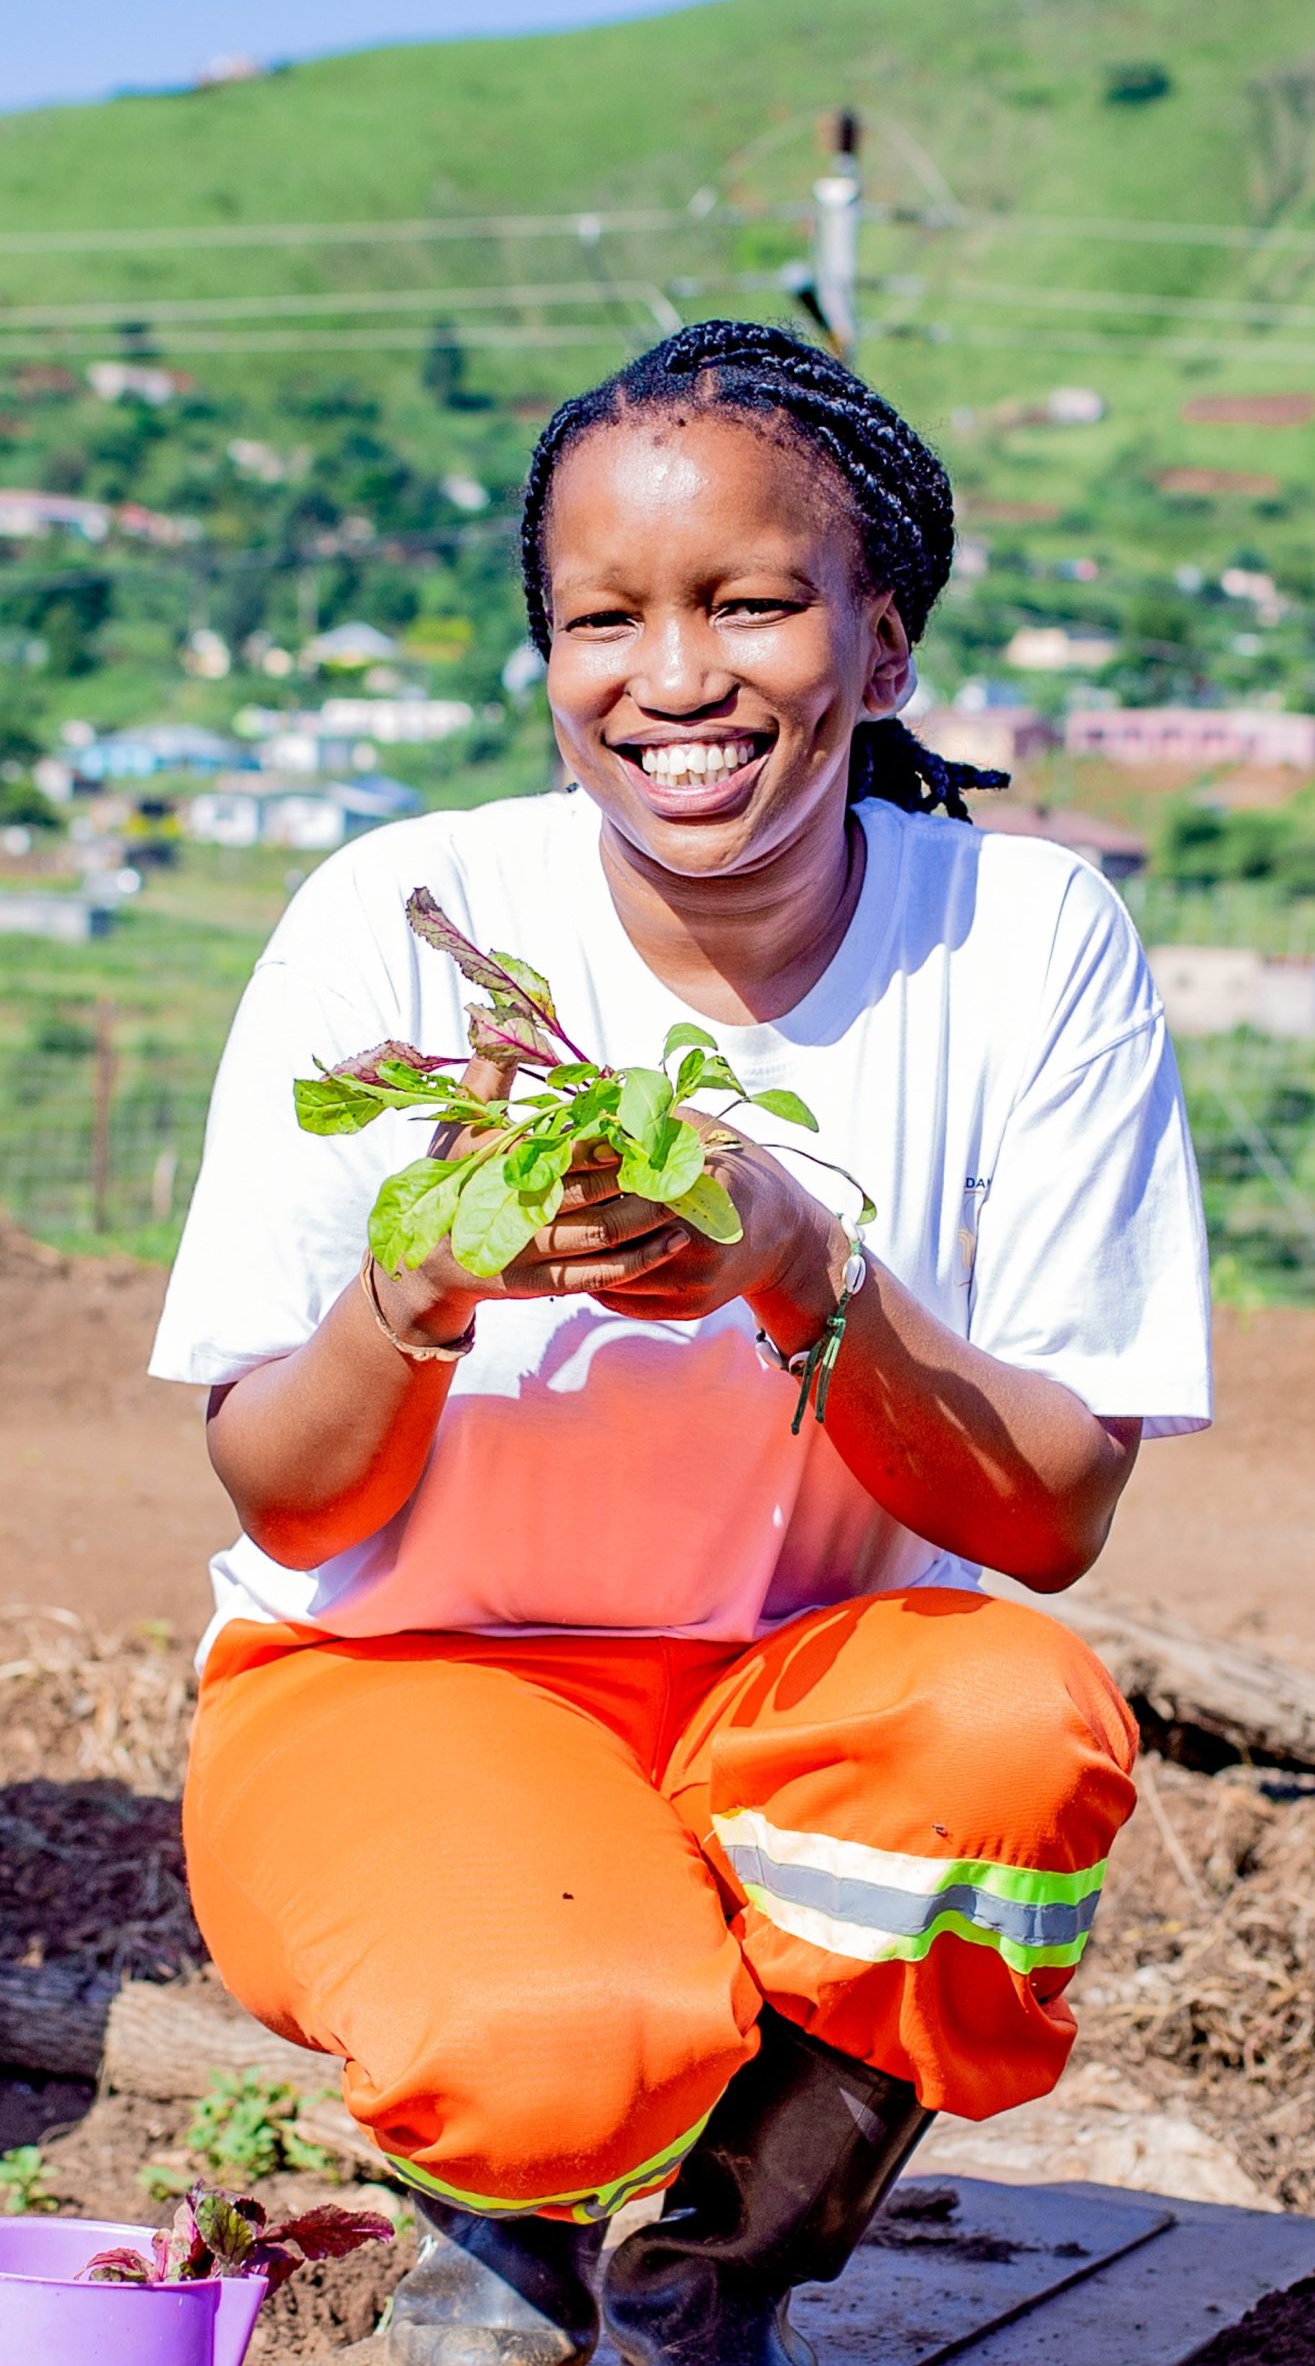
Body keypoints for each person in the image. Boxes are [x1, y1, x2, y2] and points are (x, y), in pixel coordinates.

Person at [150, 321, 1210, 2365]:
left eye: (749, 602)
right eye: (603, 617)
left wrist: (802, 1260)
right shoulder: (400, 910)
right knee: (554, 2044)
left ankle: (711, 2282)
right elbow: (282, 1486)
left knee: (1009, 1729)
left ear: (879, 643)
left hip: (805, 1688)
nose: (675, 674)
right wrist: (419, 1283)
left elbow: (1059, 1509)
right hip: (399, 1676)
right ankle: (503, 2249)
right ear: (547, 655)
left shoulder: (1026, 942)